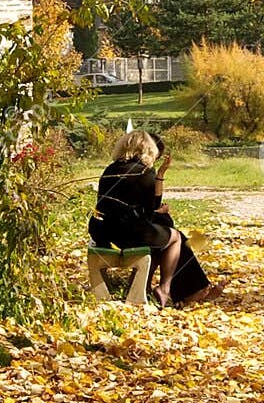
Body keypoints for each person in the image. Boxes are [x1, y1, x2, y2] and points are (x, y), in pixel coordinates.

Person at [88, 129, 215, 307]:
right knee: (175, 237)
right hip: (126, 233)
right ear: (148, 149)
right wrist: (159, 213)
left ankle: (153, 287)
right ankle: (165, 289)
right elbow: (147, 214)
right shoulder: (144, 172)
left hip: (101, 230)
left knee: (162, 232)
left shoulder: (110, 169)